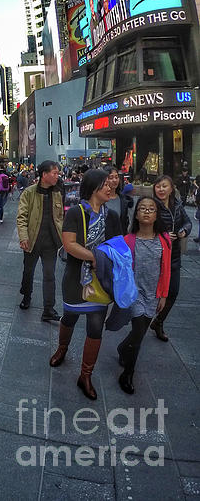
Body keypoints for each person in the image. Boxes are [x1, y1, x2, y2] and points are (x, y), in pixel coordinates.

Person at [50, 169, 119, 400]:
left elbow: (118, 247)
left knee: (96, 327)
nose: (111, 187)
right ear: (92, 188)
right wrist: (95, 257)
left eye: (111, 184)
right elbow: (69, 244)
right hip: (75, 278)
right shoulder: (76, 213)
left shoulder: (112, 216)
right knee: (69, 317)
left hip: (101, 282)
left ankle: (85, 375)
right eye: (105, 184)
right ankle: (62, 349)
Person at [115, 197, 171, 394]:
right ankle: (127, 374)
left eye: (151, 209)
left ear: (156, 215)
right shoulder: (127, 240)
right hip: (134, 294)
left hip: (153, 294)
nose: (147, 212)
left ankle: (122, 347)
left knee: (139, 332)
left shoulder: (164, 240)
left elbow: (166, 271)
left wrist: (163, 295)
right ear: (136, 214)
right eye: (142, 209)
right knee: (138, 334)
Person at [16, 160, 64, 320]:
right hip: (32, 239)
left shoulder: (57, 192)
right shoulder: (29, 192)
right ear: (44, 175)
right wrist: (23, 237)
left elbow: (60, 217)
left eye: (58, 173)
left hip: (51, 242)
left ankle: (48, 308)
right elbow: (21, 217)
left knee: (49, 274)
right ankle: (27, 296)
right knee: (28, 271)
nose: (58, 176)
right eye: (54, 173)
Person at [149, 174, 191, 342]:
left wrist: (183, 232)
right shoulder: (151, 205)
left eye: (164, 186)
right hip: (155, 257)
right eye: (158, 186)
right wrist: (163, 235)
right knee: (151, 296)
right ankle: (138, 329)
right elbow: (144, 227)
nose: (160, 189)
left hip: (173, 257)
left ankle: (158, 322)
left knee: (173, 292)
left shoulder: (178, 206)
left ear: (171, 188)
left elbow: (188, 222)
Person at [103, 165, 132, 236]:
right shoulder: (100, 199)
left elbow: (125, 223)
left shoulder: (123, 199)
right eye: (111, 177)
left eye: (116, 177)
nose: (114, 180)